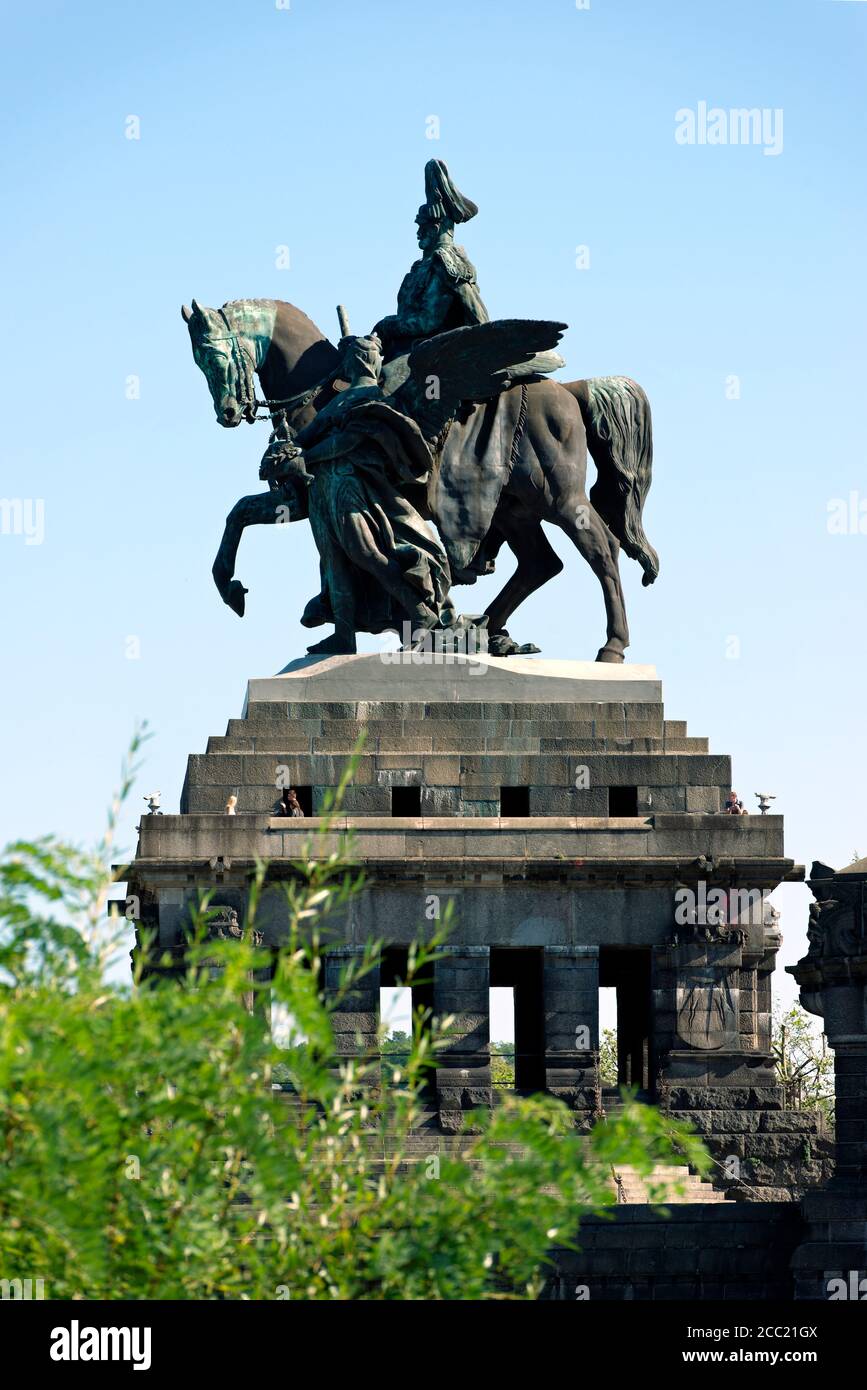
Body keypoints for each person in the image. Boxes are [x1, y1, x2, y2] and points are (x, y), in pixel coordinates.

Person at [373, 160, 488, 363]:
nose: (418, 233)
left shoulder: (445, 263)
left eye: (422, 227)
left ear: (434, 229)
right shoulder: (420, 267)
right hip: (407, 350)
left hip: (433, 356)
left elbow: (428, 321)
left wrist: (387, 325)